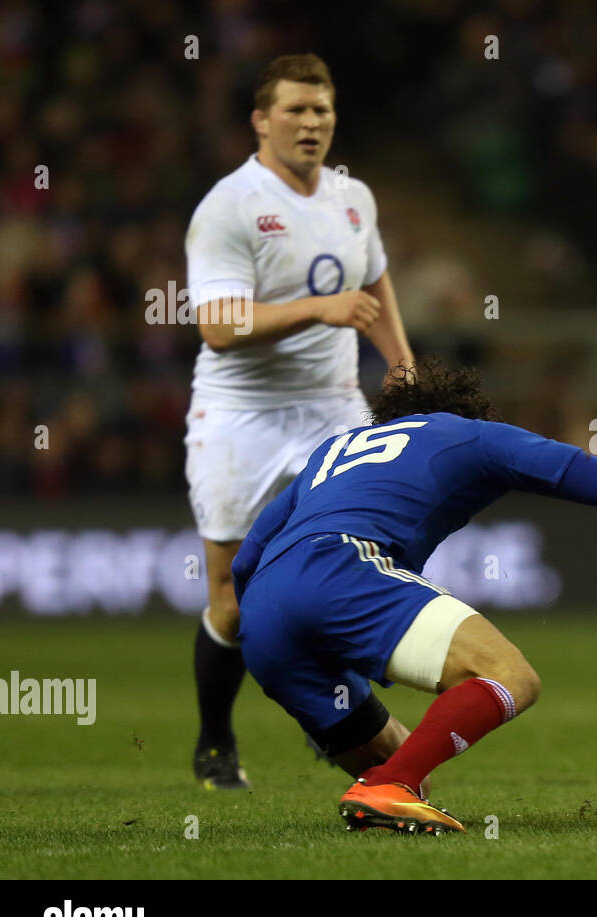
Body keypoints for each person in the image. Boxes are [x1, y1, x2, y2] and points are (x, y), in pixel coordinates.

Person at [231, 356, 597, 834]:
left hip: (263, 612)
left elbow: (245, 559)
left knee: (404, 769)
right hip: (343, 566)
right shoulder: (471, 437)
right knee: (510, 677)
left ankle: (387, 787)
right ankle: (390, 786)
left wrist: (281, 651)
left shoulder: (329, 455)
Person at [183, 53, 414, 789]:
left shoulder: (353, 199)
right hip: (241, 417)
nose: (311, 123)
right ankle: (216, 741)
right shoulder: (229, 206)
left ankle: (335, 720)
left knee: (348, 566)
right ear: (261, 120)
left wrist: (401, 364)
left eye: (322, 110)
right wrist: (319, 308)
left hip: (334, 409)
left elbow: (373, 277)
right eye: (295, 111)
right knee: (233, 597)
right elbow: (217, 325)